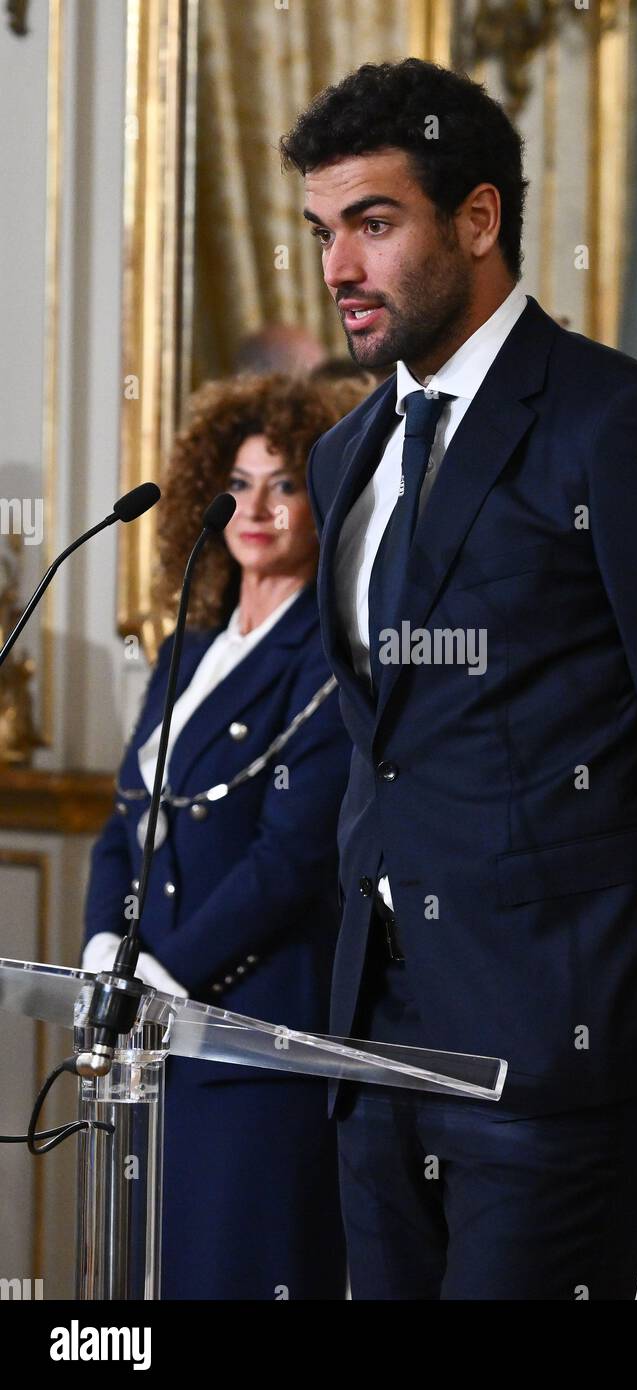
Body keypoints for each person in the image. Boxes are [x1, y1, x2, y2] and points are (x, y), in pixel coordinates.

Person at [279, 57, 637, 1301]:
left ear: (477, 219)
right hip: (374, 1043)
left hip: (562, 1040)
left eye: (372, 223)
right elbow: (388, 749)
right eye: (321, 233)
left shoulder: (622, 427)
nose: (338, 270)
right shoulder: (346, 453)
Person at [81, 373, 368, 1299]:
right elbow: (125, 821)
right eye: (239, 484)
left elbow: (291, 859)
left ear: (325, 499)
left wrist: (164, 972)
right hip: (155, 1037)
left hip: (250, 1038)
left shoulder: (328, 656)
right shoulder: (189, 652)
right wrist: (101, 948)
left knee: (239, 1273)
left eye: (285, 484)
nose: (258, 507)